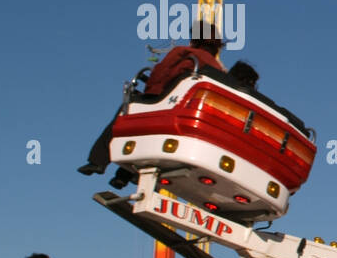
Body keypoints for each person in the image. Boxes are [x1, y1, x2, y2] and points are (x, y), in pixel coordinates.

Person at [79, 19, 227, 185]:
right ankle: (124, 176)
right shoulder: (219, 69)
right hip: (186, 111)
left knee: (127, 113)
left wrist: (152, 89)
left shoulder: (183, 52)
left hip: (164, 99)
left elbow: (161, 73)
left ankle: (98, 161)